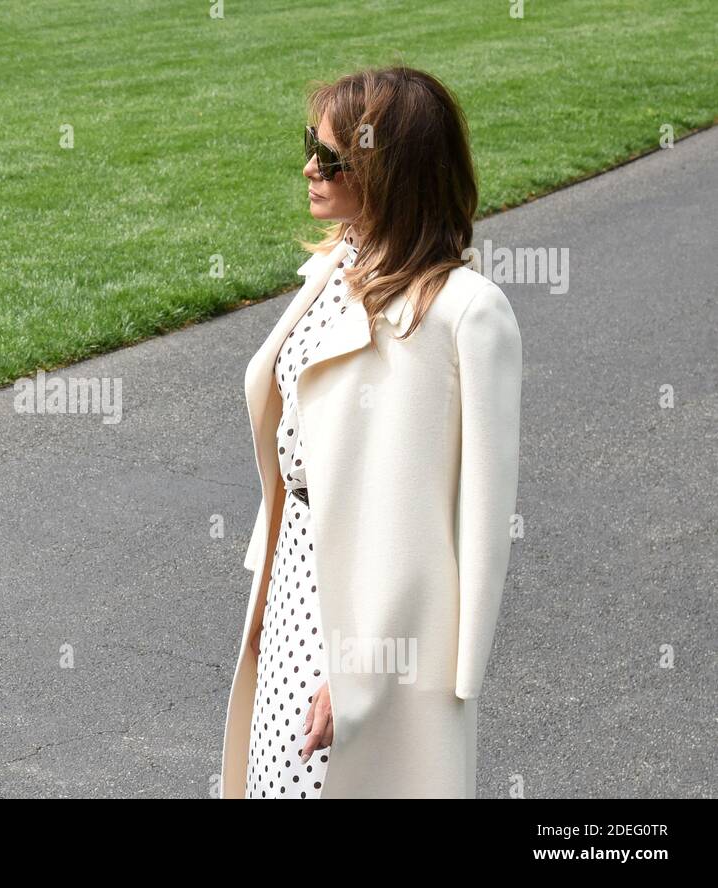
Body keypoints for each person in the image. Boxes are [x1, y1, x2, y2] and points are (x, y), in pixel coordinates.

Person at [220, 66, 522, 798]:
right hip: (294, 579)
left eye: (331, 158)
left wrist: (370, 669)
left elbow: (461, 527)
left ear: (389, 171)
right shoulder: (334, 267)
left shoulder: (463, 313)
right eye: (309, 146)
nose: (309, 168)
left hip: (376, 622)